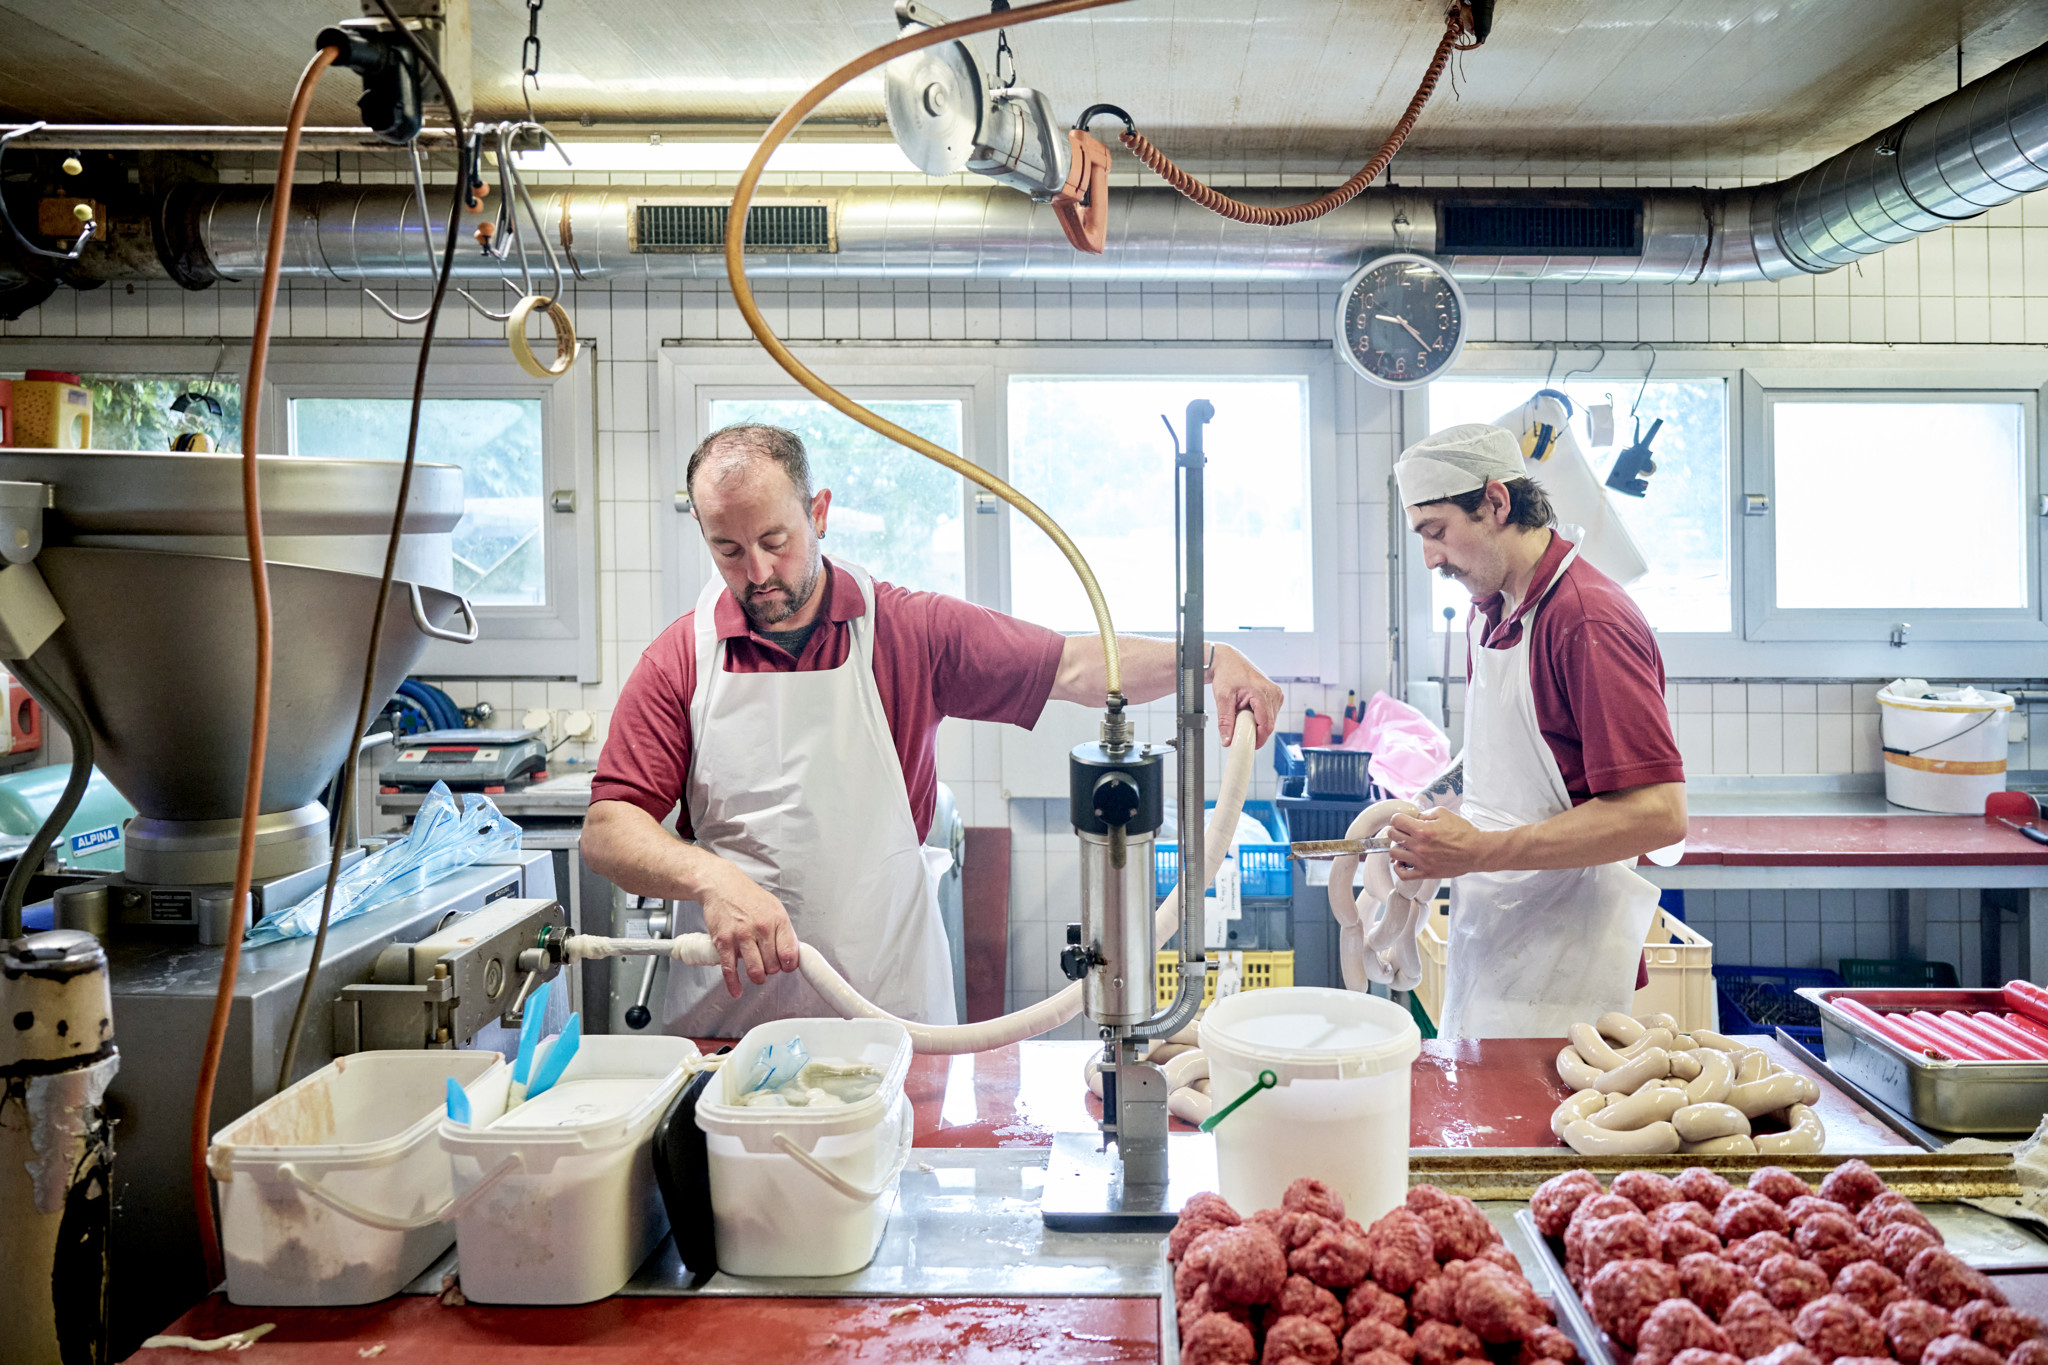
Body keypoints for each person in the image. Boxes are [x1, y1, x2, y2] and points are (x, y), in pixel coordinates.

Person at [583, 423, 1285, 1036]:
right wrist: (708, 877)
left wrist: (1209, 660)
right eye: (728, 550)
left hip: (889, 1017)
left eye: (775, 540)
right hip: (733, 1031)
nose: (759, 572)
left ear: (818, 513)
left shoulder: (907, 631)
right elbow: (609, 827)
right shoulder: (681, 657)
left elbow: (1074, 666)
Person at [1385, 422, 1687, 1039]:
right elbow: (1503, 761)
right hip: (1498, 930)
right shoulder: (1490, 612)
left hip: (1568, 957)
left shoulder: (1586, 620)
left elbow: (1658, 814)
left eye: (1436, 532)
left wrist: (1479, 851)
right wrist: (1422, 811)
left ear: (1496, 502)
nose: (1431, 558)